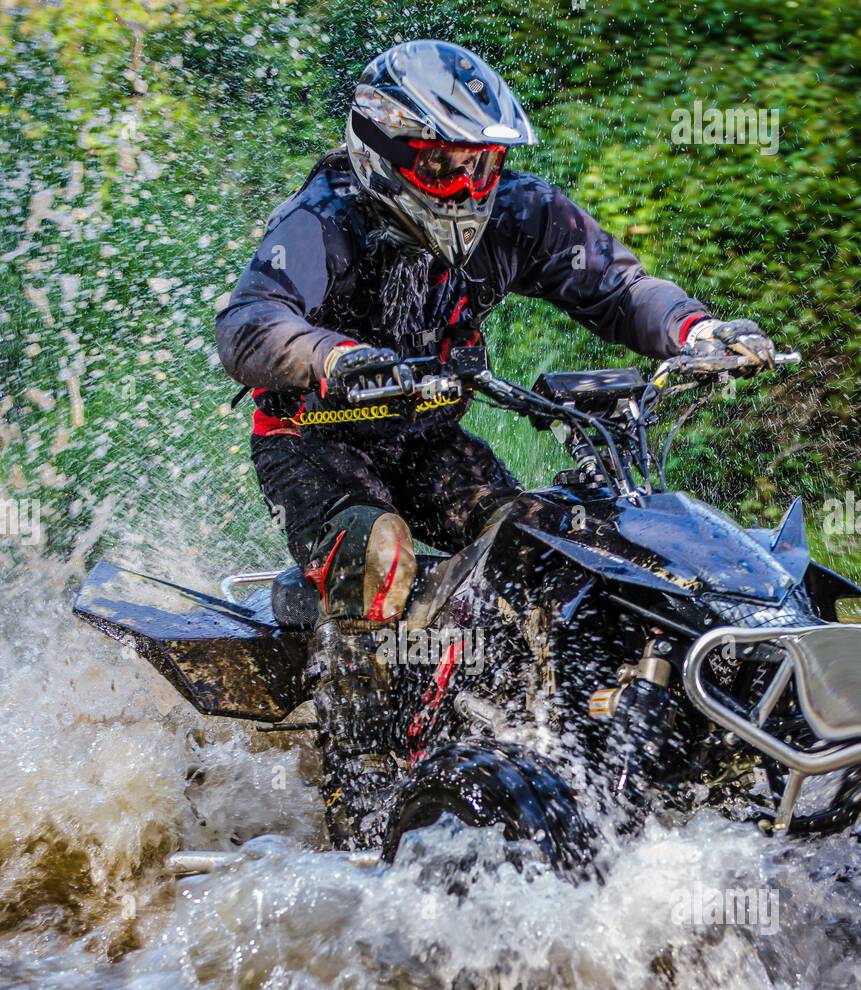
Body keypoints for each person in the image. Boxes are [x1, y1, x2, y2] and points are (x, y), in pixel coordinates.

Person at [216, 39, 775, 838]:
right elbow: (248, 324)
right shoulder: (322, 219)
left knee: (545, 545)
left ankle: (537, 738)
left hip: (429, 438)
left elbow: (616, 285)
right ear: (382, 151)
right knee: (378, 556)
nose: (470, 186)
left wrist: (696, 329)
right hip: (314, 440)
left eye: (482, 165)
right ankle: (359, 781)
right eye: (446, 166)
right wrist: (332, 356)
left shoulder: (519, 211)